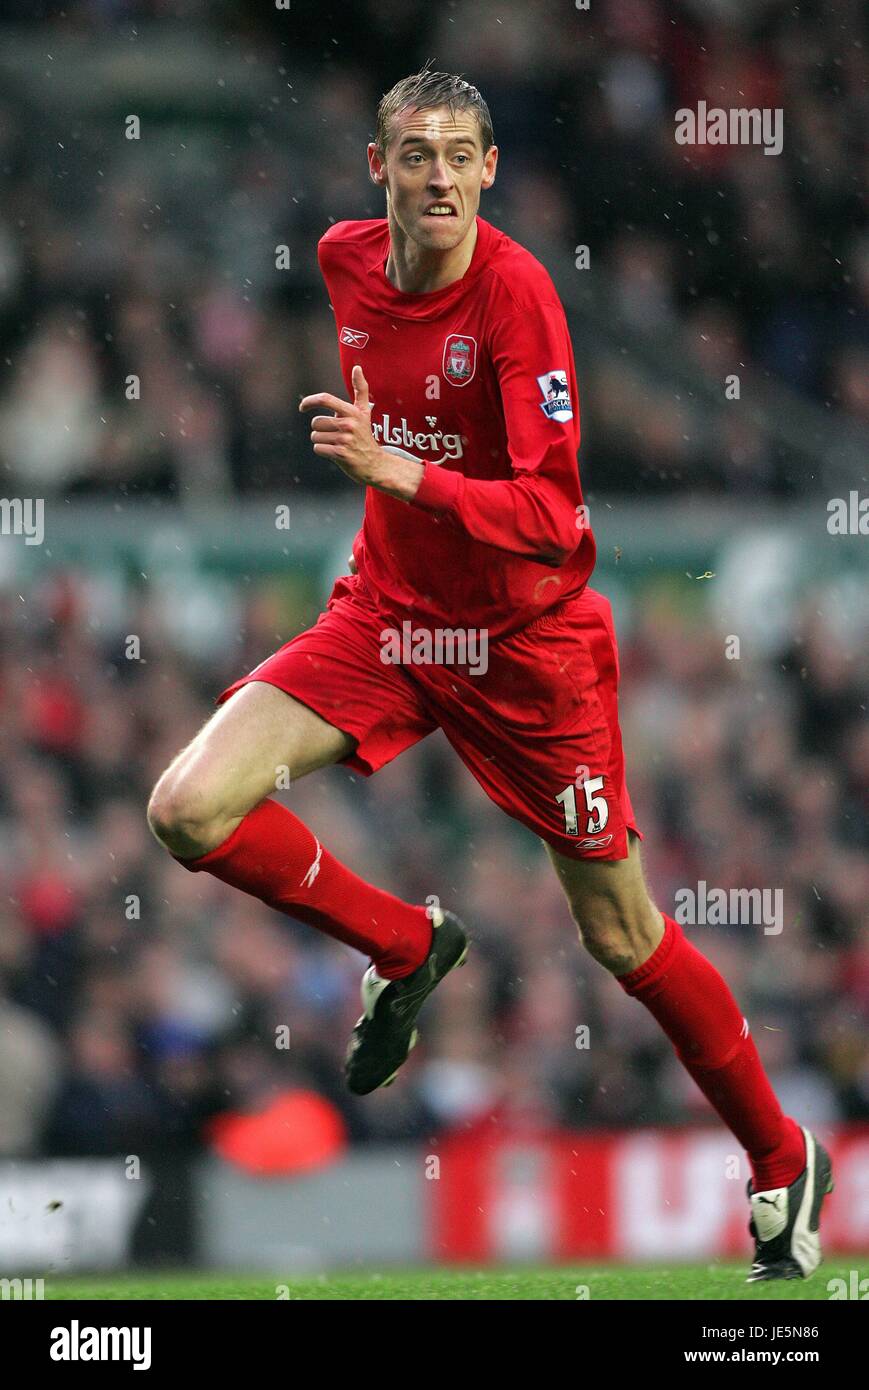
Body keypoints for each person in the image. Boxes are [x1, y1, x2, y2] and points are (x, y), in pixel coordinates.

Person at [147, 68, 832, 1281]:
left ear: (490, 170)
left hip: (525, 651)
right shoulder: (341, 262)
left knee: (619, 936)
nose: (440, 177)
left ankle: (780, 1156)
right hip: (388, 621)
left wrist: (409, 478)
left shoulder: (515, 297)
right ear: (379, 169)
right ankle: (406, 947)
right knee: (187, 807)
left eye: (461, 155)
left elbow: (557, 519)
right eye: (416, 154)